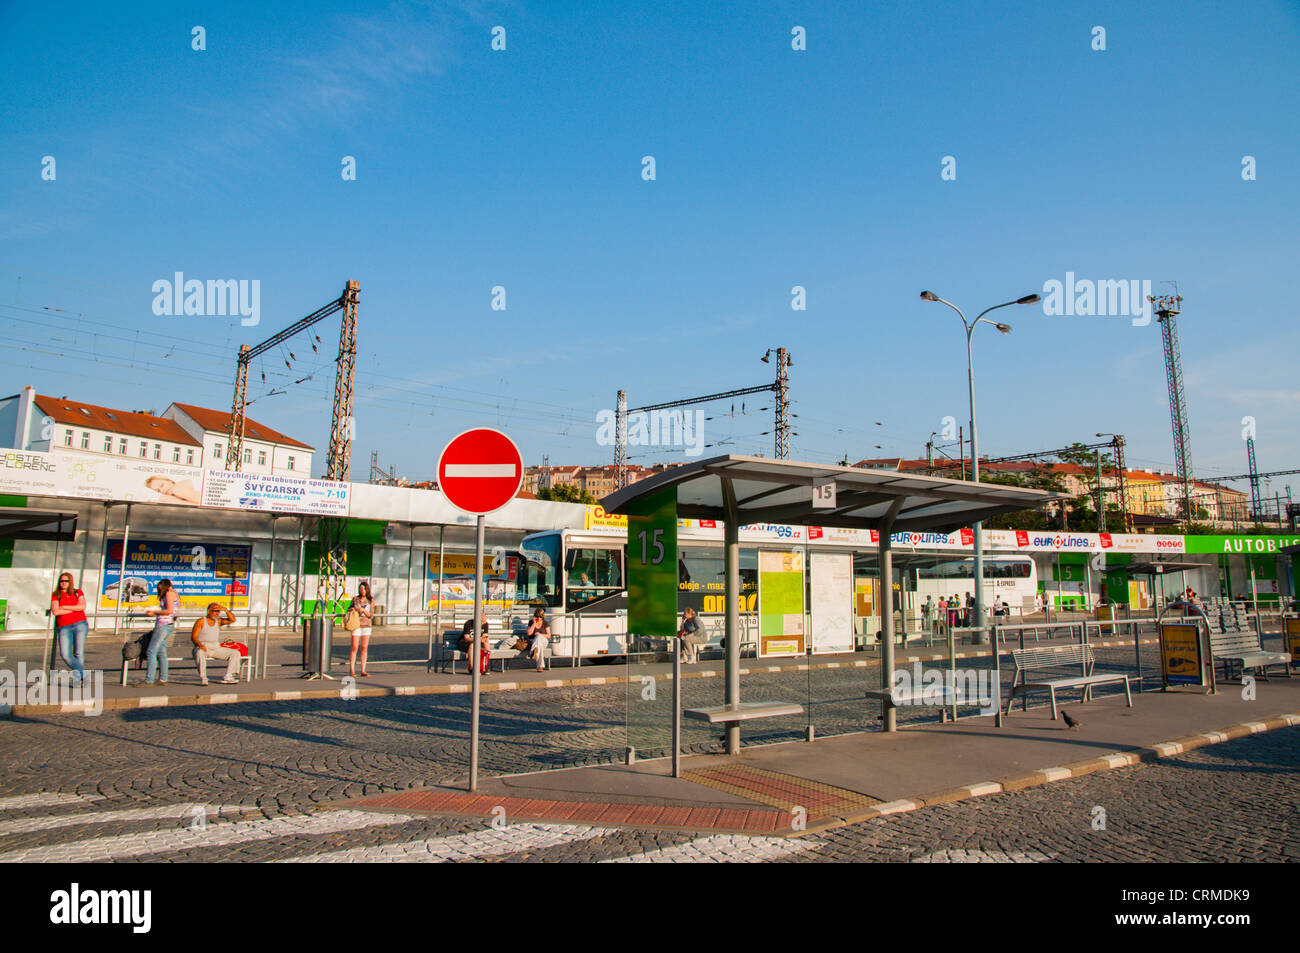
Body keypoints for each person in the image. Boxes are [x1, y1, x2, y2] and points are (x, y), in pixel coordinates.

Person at [50, 572, 88, 684]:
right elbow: (56, 611)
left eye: (66, 581)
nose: (63, 583)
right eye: (61, 581)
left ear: (70, 582)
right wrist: (75, 609)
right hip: (64, 626)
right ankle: (82, 674)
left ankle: (78, 680)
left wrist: (65, 607)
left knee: (78, 653)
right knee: (65, 654)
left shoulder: (77, 592)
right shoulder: (56, 594)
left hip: (80, 624)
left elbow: (82, 606)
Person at [142, 578, 180, 685]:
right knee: (161, 652)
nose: (159, 591)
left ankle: (149, 680)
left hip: (163, 625)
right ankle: (163, 678)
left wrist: (154, 612)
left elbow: (169, 610)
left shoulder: (169, 593)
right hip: (168, 624)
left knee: (151, 651)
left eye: (159, 588)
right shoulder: (175, 593)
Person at [192, 603, 240, 685]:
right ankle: (203, 677)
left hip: (215, 647)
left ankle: (228, 675)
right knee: (200, 653)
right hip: (204, 646)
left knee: (235, 653)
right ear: (208, 611)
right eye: (214, 611)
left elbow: (232, 620)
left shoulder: (218, 621)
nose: (216, 613)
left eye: (218, 611)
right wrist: (200, 645)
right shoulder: (201, 621)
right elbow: (194, 637)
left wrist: (226, 610)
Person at [349, 582, 374, 677]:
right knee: (354, 647)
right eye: (360, 589)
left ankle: (363, 670)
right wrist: (352, 610)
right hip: (356, 624)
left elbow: (371, 615)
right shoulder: (356, 599)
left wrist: (363, 610)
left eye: (363, 589)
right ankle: (352, 669)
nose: (361, 590)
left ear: (367, 589)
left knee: (364, 647)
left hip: (366, 625)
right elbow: (349, 609)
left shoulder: (370, 600)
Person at [525, 607, 550, 672]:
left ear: (542, 617)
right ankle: (540, 666)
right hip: (533, 641)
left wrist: (540, 634)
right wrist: (534, 624)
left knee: (539, 638)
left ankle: (532, 652)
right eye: (537, 616)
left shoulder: (545, 623)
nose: (538, 618)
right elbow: (529, 633)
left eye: (540, 617)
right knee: (539, 646)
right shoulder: (531, 622)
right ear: (534, 616)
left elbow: (548, 635)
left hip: (543, 640)